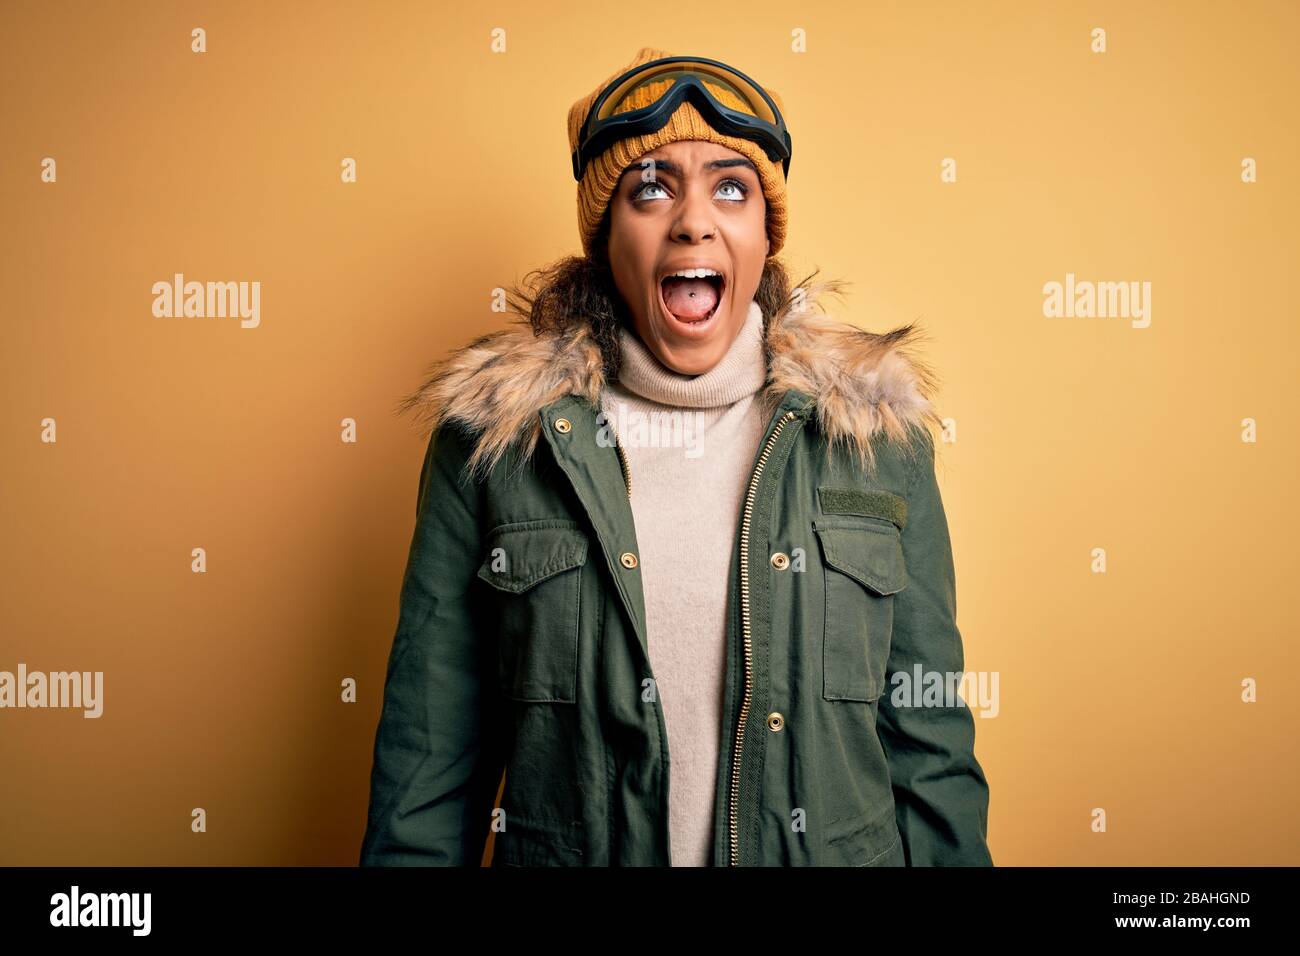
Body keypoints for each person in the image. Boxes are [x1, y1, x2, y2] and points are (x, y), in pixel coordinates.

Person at [359, 46, 993, 867]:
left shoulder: (874, 440)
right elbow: (426, 772)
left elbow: (930, 751)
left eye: (732, 187)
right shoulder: (493, 446)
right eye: (650, 189)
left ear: (765, 235)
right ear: (603, 235)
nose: (694, 219)